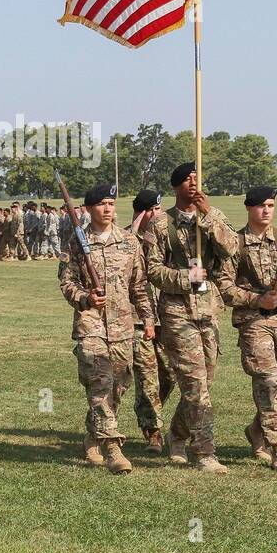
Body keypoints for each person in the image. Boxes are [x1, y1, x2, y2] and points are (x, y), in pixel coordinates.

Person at [141, 162, 238, 474]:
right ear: (176, 186)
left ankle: (177, 434)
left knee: (204, 382)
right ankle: (205, 451)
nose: (194, 183)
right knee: (195, 385)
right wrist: (186, 277)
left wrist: (207, 217)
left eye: (198, 178)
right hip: (177, 312)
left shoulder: (214, 215)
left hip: (208, 310)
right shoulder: (160, 224)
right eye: (188, 179)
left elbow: (230, 249)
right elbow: (153, 270)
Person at [215, 186, 277, 472]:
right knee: (268, 382)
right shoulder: (235, 243)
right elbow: (224, 287)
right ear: (249, 208)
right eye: (261, 206)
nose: (266, 211)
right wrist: (257, 299)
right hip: (253, 321)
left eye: (270, 205)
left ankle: (256, 430)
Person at [59, 183, 154, 474]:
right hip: (91, 324)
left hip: (123, 325)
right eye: (101, 204)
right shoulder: (77, 242)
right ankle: (113, 448)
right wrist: (85, 298)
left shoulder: (129, 242)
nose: (108, 209)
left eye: (111, 204)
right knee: (99, 383)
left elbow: (139, 286)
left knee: (117, 387)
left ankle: (93, 434)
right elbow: (67, 282)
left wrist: (148, 319)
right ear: (89, 209)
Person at [128, 189, 173, 454]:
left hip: (166, 316)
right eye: (152, 210)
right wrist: (134, 234)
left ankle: (148, 410)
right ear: (140, 212)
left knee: (170, 373)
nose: (158, 214)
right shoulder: (125, 238)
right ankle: (153, 432)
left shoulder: (165, 236)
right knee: (147, 377)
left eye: (159, 209)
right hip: (137, 319)